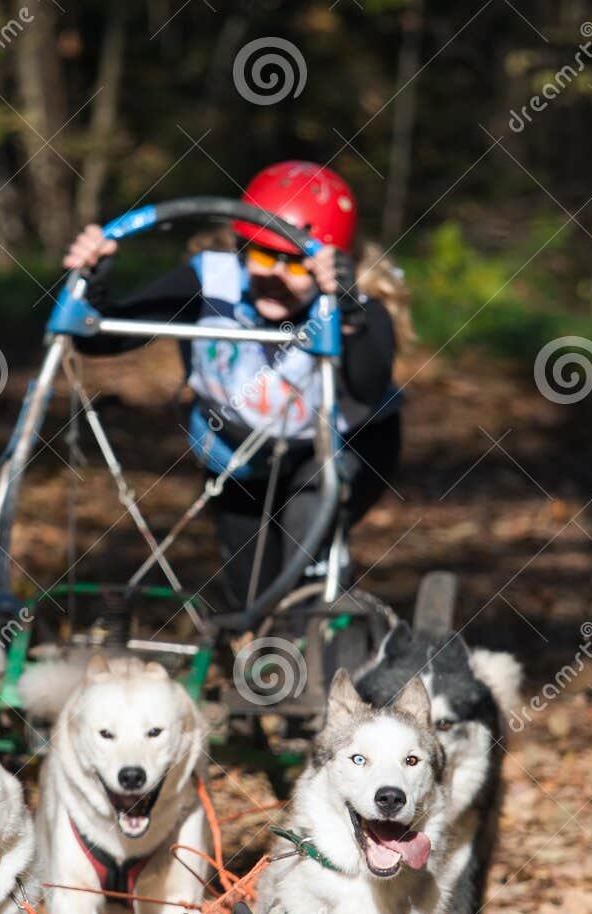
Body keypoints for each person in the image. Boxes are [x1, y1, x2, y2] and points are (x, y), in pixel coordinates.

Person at [62, 162, 412, 616]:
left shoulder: (357, 307)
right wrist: (93, 284)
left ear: (327, 262)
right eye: (263, 256)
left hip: (339, 449)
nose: (275, 276)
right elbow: (102, 337)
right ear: (242, 246)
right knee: (250, 594)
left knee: (302, 556)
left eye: (296, 264)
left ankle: (314, 635)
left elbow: (366, 383)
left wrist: (344, 309)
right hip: (240, 454)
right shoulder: (213, 279)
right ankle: (258, 652)